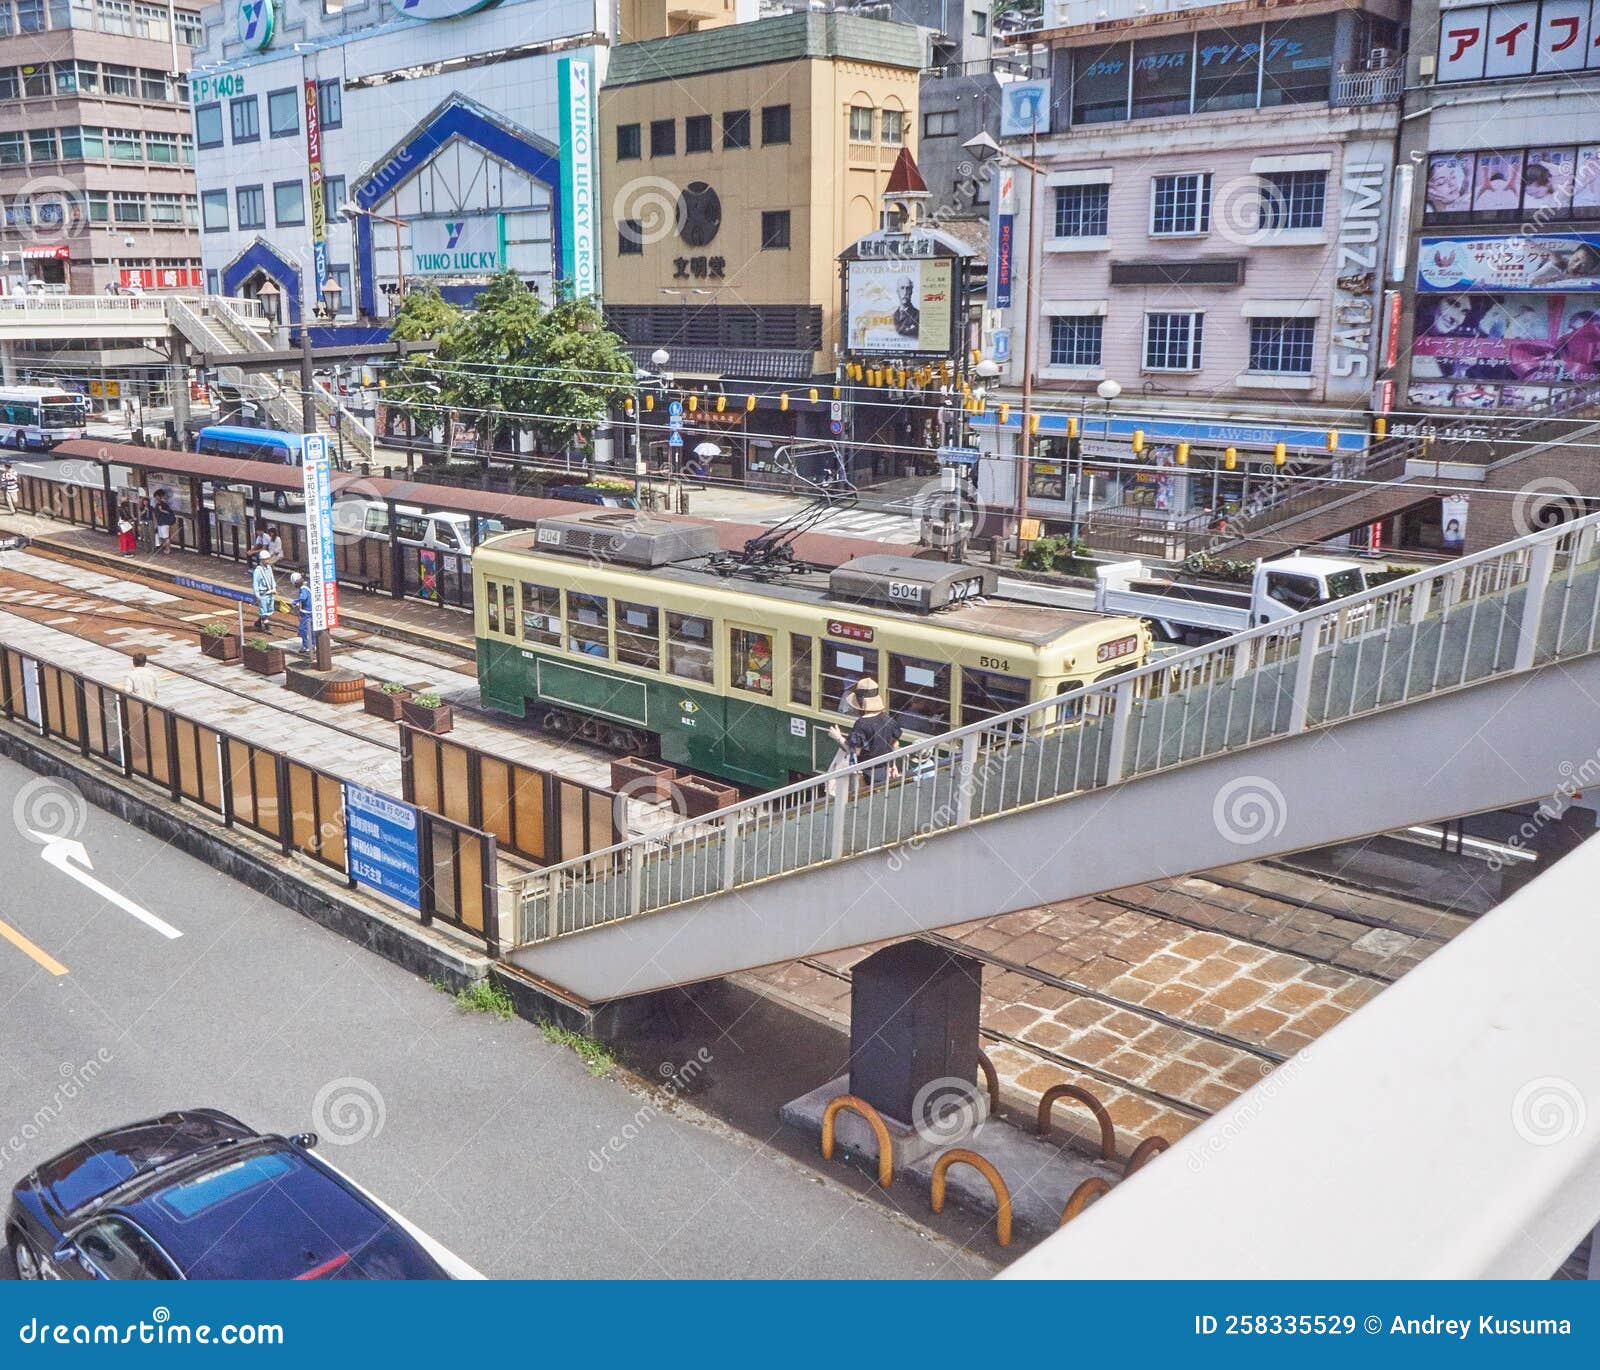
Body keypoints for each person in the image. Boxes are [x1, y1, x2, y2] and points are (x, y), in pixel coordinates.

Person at [827, 677, 903, 787]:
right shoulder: (889, 720)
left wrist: (838, 737)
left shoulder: (861, 724)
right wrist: (893, 765)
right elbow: (895, 745)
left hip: (867, 773)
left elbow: (855, 751)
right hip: (885, 770)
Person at [251, 551, 278, 633]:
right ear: (261, 560)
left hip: (270, 592)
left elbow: (272, 579)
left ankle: (258, 622)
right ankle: (267, 626)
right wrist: (257, 595)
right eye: (265, 559)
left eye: (268, 559)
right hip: (263, 594)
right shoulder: (258, 571)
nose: (267, 561)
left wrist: (274, 588)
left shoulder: (269, 568)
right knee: (263, 610)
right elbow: (255, 584)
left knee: (269, 609)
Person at [289, 572, 314, 653]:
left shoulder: (303, 589)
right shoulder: (306, 586)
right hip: (310, 611)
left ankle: (306, 646)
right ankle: (313, 644)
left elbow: (303, 597)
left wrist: (295, 601)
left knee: (302, 629)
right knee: (312, 629)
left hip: (306, 613)